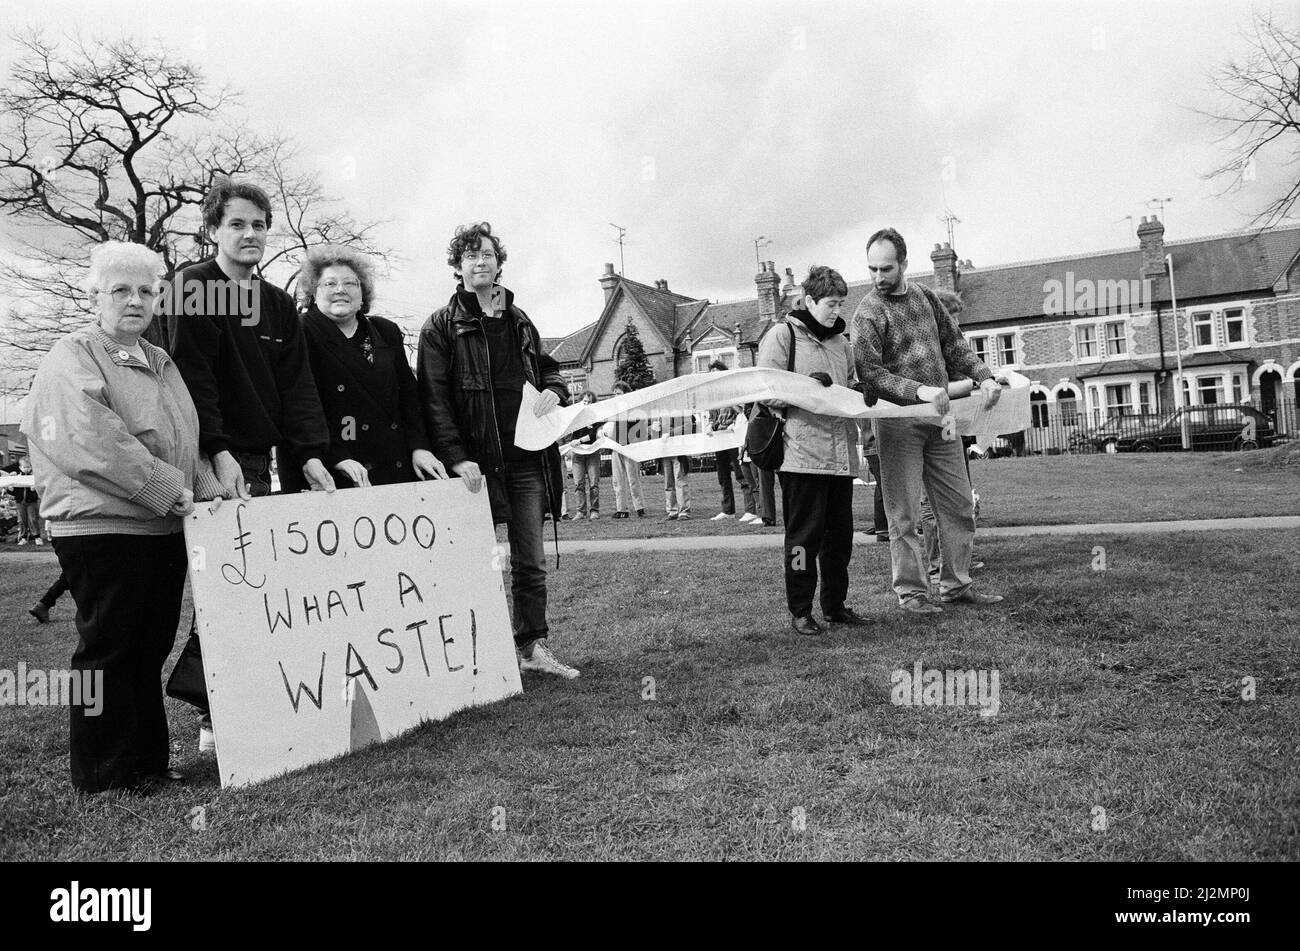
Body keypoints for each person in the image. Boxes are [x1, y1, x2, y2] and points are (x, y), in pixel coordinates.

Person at [20, 241, 223, 793]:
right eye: (121, 290)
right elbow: (89, 438)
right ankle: (106, 775)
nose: (135, 300)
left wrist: (206, 491)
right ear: (94, 296)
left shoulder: (160, 360)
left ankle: (146, 765)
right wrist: (168, 489)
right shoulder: (74, 354)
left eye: (145, 291)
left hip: (159, 526)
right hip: (102, 526)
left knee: (145, 649)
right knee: (110, 650)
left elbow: (184, 440)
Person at [167, 179, 335, 754]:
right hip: (207, 459)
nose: (250, 234)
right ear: (212, 230)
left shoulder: (279, 303)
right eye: (237, 224)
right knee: (226, 587)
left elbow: (297, 386)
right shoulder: (194, 288)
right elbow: (193, 377)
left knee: (257, 587)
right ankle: (214, 716)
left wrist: (310, 454)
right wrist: (215, 451)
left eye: (259, 225)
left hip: (259, 462)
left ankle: (241, 702)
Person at [417, 221, 579, 679]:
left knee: (531, 563)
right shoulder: (441, 326)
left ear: (498, 262)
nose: (480, 262)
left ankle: (532, 649)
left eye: (487, 254)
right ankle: (476, 656)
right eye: (470, 256)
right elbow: (434, 400)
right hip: (475, 467)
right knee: (473, 563)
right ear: (457, 266)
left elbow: (549, 368)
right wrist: (455, 457)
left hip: (527, 460)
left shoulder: (520, 319)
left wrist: (556, 390)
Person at [852, 228, 1003, 613]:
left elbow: (954, 346)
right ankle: (913, 594)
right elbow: (869, 372)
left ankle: (956, 585)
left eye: (886, 269)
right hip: (897, 423)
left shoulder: (925, 298)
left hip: (941, 421)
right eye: (872, 269)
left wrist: (984, 376)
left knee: (958, 506)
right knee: (903, 516)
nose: (878, 277)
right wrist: (917, 391)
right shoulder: (868, 312)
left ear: (904, 263)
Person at [757, 266, 875, 635]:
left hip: (841, 460)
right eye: (829, 303)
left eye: (841, 303)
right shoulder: (782, 335)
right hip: (801, 457)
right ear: (809, 301)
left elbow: (850, 385)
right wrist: (807, 388)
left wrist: (863, 389)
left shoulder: (843, 343)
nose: (836, 310)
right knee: (803, 542)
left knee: (839, 542)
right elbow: (764, 389)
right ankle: (800, 611)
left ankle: (836, 607)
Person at [298, 246, 446, 487]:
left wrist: (420, 447)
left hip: (395, 465)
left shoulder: (386, 331)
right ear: (314, 292)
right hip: (334, 471)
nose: (340, 290)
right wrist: (337, 456)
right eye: (330, 284)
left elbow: (409, 397)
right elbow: (301, 406)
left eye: (350, 283)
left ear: (362, 294)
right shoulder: (300, 332)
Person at [707, 360, 758, 523]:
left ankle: (751, 510)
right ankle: (727, 510)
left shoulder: (734, 391)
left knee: (741, 475)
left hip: (734, 437)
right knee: (723, 476)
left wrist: (729, 401)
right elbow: (712, 416)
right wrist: (710, 425)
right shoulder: (713, 396)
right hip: (719, 437)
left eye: (716, 372)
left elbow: (743, 411)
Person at [604, 380, 646, 518]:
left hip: (630, 448)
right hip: (616, 447)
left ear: (626, 394)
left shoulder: (635, 410)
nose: (616, 396)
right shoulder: (613, 410)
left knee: (633, 479)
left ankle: (639, 507)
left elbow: (641, 429)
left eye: (619, 393)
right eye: (614, 393)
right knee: (618, 480)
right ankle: (621, 509)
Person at [740, 404, 778, 526]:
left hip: (766, 438)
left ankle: (767, 515)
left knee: (765, 480)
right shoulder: (754, 404)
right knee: (762, 480)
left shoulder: (759, 401)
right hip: (764, 437)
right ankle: (766, 515)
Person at [568, 391, 602, 520]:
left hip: (592, 452)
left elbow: (593, 434)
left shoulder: (595, 416)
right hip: (577, 454)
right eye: (585, 401)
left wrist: (580, 440)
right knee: (578, 484)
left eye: (589, 402)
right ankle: (580, 511)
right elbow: (570, 433)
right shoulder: (576, 416)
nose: (586, 404)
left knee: (594, 483)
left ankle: (594, 510)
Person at [9, 457, 43, 545]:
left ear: (31, 467)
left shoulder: (34, 477)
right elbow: (14, 491)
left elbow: (40, 490)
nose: (26, 469)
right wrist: (11, 489)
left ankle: (36, 536)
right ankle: (23, 537)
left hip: (31, 502)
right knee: (21, 520)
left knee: (33, 519)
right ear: (20, 468)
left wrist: (34, 490)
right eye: (24, 467)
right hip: (20, 502)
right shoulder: (17, 477)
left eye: (28, 467)